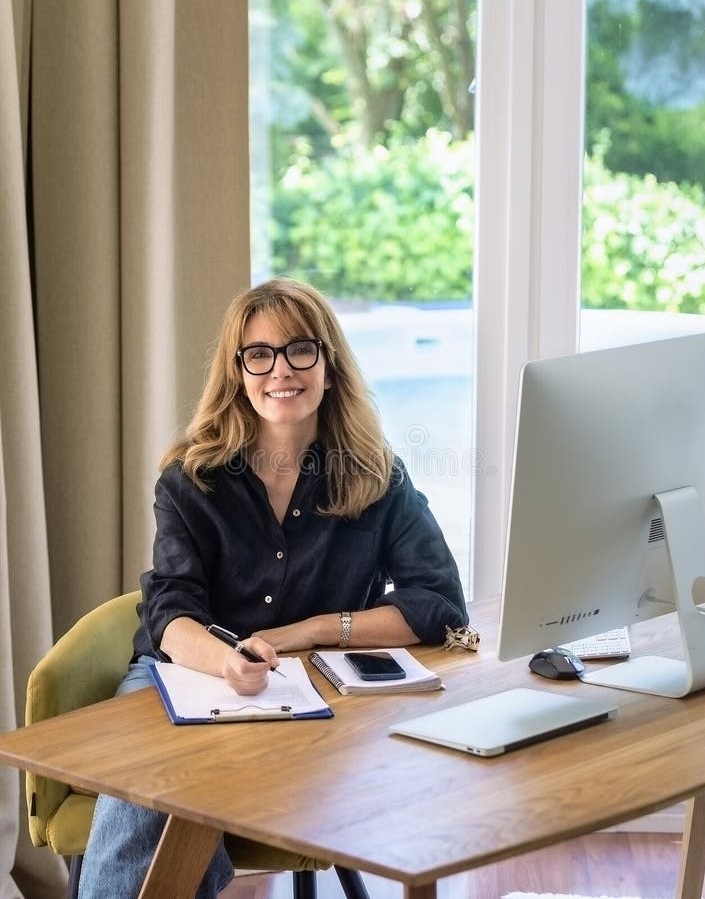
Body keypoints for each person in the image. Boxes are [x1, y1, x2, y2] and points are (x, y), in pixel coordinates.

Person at [78, 277, 468, 898]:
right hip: (184, 674)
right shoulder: (190, 478)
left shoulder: (376, 476)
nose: (280, 370)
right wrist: (226, 662)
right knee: (150, 789)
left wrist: (310, 630)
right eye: (259, 354)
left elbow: (439, 605)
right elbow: (171, 610)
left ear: (329, 367)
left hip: (315, 690)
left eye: (299, 350)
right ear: (238, 373)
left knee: (185, 798)